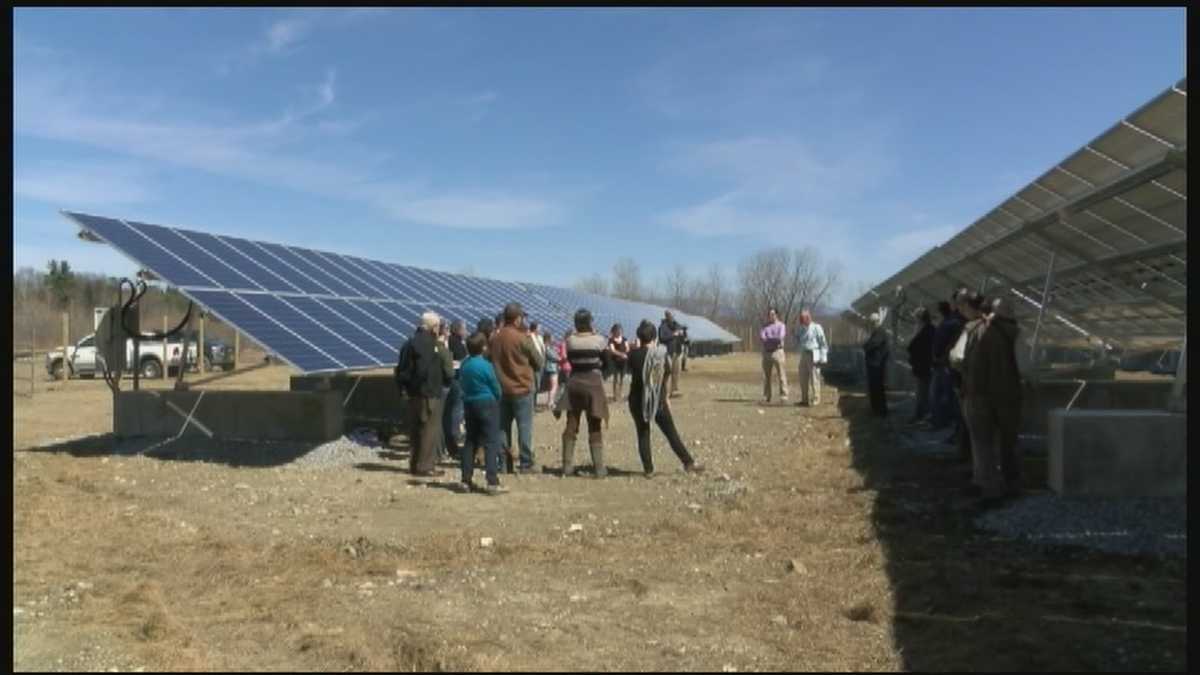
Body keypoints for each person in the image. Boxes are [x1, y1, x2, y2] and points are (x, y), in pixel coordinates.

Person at [963, 296, 1024, 505]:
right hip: (1007, 395)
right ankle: (1012, 483)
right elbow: (1024, 367)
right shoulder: (1015, 333)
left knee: (982, 443)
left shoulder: (972, 329)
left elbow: (957, 358)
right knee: (1009, 441)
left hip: (977, 393)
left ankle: (988, 487)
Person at [628, 320, 705, 476]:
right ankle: (688, 463)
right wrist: (666, 397)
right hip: (657, 400)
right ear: (654, 337)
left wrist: (635, 347)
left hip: (637, 399)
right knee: (671, 433)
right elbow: (666, 376)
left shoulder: (633, 355)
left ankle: (648, 469)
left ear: (639, 337)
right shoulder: (660, 355)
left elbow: (631, 367)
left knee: (643, 433)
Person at [395, 311, 454, 477]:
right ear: (433, 327)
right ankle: (426, 466)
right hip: (429, 393)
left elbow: (401, 369)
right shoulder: (432, 345)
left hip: (412, 393)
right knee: (429, 430)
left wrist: (405, 388)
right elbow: (430, 370)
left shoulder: (409, 343)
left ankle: (414, 464)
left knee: (415, 430)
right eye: (438, 326)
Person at [488, 303, 545, 473]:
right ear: (517, 319)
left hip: (501, 389)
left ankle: (504, 463)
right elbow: (539, 362)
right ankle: (526, 463)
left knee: (502, 428)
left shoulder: (495, 338)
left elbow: (489, 359)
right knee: (524, 427)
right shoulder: (522, 338)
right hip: (522, 389)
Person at [456, 332, 508, 495]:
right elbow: (495, 386)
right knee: (491, 442)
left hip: (469, 403)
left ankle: (465, 480)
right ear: (483, 347)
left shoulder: (465, 365)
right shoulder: (486, 366)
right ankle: (492, 482)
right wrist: (498, 397)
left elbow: (461, 383)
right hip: (487, 403)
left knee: (470, 441)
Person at [560, 309, 610, 477]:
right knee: (594, 425)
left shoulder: (570, 341)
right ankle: (599, 468)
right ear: (590, 322)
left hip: (574, 384)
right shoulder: (599, 340)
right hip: (593, 385)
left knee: (571, 424)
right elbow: (608, 363)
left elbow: (571, 360)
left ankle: (567, 466)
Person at [930, 300, 963, 431]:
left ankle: (941, 422)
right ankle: (945, 422)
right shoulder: (953, 322)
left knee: (941, 394)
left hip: (944, 364)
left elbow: (940, 344)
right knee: (945, 394)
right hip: (946, 363)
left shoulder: (948, 324)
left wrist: (938, 357)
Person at [441, 319, 468, 462]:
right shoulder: (454, 343)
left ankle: (450, 440)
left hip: (452, 380)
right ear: (458, 330)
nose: (466, 332)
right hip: (454, 380)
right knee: (454, 411)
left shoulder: (452, 342)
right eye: (464, 329)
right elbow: (456, 360)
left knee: (450, 412)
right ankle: (453, 438)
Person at [793, 309, 828, 407]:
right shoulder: (801, 329)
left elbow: (823, 342)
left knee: (814, 377)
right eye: (801, 318)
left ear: (808, 318)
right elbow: (798, 339)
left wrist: (823, 357)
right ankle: (804, 399)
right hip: (804, 353)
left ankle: (816, 399)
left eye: (803, 318)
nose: (801, 320)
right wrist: (794, 332)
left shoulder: (817, 327)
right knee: (803, 377)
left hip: (814, 353)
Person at [906, 308, 935, 424]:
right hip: (925, 366)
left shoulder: (924, 331)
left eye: (916, 318)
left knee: (922, 392)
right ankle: (923, 415)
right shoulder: (931, 329)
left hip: (924, 367)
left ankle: (921, 415)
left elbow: (912, 346)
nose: (915, 321)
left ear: (920, 319)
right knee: (924, 392)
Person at [759, 308, 789, 404]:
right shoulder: (765, 326)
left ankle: (784, 396)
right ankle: (766, 396)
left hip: (778, 352)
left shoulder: (781, 326)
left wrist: (769, 338)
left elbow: (780, 337)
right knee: (766, 376)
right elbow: (762, 337)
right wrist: (771, 339)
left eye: (773, 314)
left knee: (781, 375)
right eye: (769, 315)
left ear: (776, 315)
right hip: (767, 352)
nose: (771, 316)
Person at [862, 312, 889, 417]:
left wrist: (865, 346)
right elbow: (869, 344)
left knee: (877, 388)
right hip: (874, 364)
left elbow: (872, 344)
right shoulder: (876, 332)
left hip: (877, 364)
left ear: (877, 321)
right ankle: (876, 409)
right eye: (871, 322)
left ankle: (880, 410)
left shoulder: (880, 332)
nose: (871, 324)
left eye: (873, 322)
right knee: (874, 387)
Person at [658, 311, 684, 397]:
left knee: (676, 371)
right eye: (669, 315)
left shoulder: (678, 325)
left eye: (672, 315)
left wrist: (682, 334)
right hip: (668, 352)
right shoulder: (662, 326)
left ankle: (674, 390)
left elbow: (682, 337)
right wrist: (673, 335)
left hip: (677, 351)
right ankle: (665, 391)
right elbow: (662, 338)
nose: (671, 317)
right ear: (666, 316)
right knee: (668, 371)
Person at [607, 323, 630, 401]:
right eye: (617, 330)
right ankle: (615, 395)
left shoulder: (624, 339)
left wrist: (625, 353)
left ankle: (620, 393)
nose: (619, 332)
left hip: (623, 361)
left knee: (622, 378)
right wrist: (622, 354)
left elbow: (627, 348)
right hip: (615, 361)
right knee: (616, 378)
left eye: (620, 330)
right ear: (614, 331)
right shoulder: (611, 340)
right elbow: (612, 350)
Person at [541, 331, 559, 409]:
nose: (553, 339)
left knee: (551, 386)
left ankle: (550, 401)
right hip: (552, 368)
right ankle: (550, 403)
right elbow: (554, 357)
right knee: (554, 386)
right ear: (548, 339)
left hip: (548, 368)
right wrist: (558, 357)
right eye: (552, 338)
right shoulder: (547, 347)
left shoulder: (546, 346)